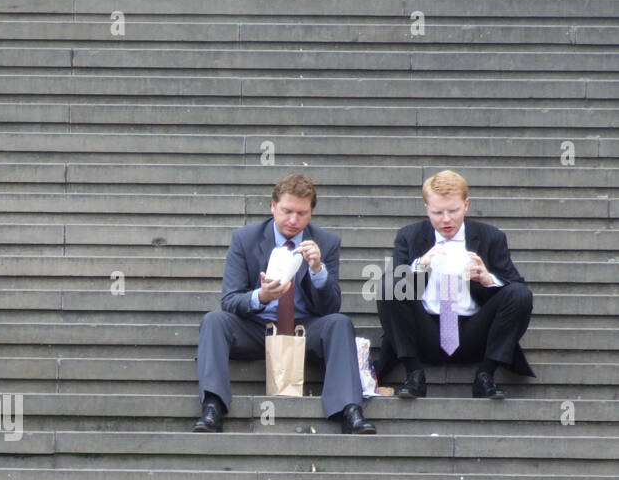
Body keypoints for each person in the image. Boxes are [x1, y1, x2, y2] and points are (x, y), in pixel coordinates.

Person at [194, 173, 376, 434]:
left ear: (311, 213)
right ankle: (212, 406)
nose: (293, 220)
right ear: (272, 207)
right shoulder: (245, 239)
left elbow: (330, 307)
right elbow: (230, 300)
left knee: (339, 323)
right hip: (257, 326)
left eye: (301, 213)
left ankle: (350, 410)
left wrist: (318, 270)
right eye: (286, 211)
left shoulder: (326, 242)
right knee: (214, 320)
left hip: (305, 328)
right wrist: (262, 296)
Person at [376, 170, 534, 400]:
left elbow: (516, 286)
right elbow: (394, 289)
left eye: (453, 211)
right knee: (388, 285)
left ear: (466, 205)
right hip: (425, 331)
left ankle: (485, 376)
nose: (446, 219)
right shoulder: (409, 236)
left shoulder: (491, 237)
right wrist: (419, 265)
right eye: (437, 212)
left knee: (520, 295)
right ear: (426, 209)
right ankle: (414, 374)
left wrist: (488, 279)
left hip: (474, 331)